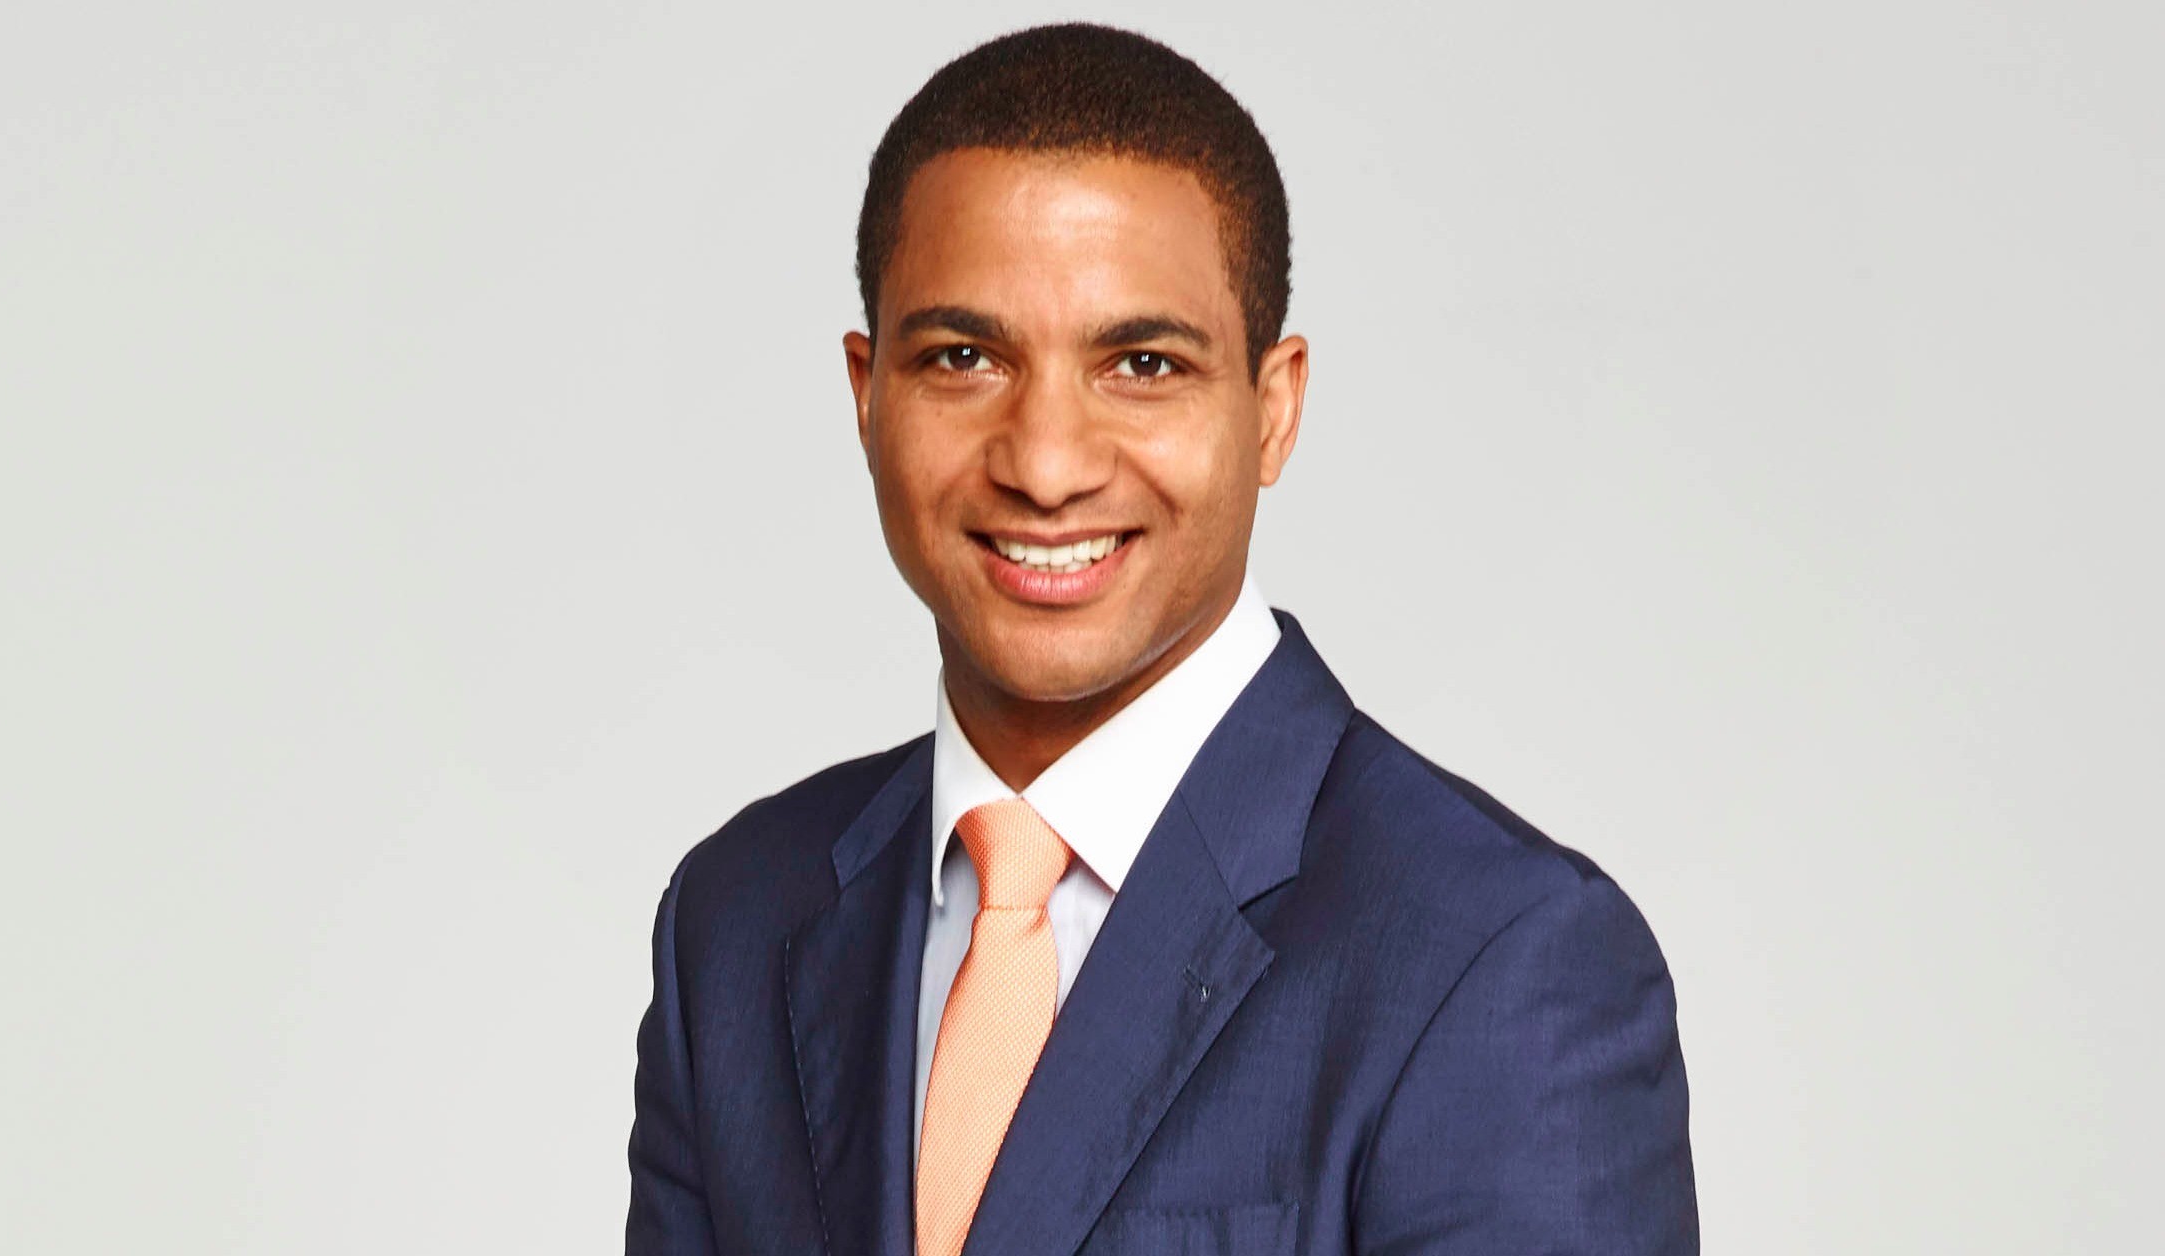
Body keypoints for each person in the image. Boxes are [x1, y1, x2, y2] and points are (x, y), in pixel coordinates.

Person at [626, 22, 1698, 1256]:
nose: (1046, 465)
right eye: (964, 357)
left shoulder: (1499, 956)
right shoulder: (738, 922)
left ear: (1273, 409)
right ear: (868, 396)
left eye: (1141, 363)